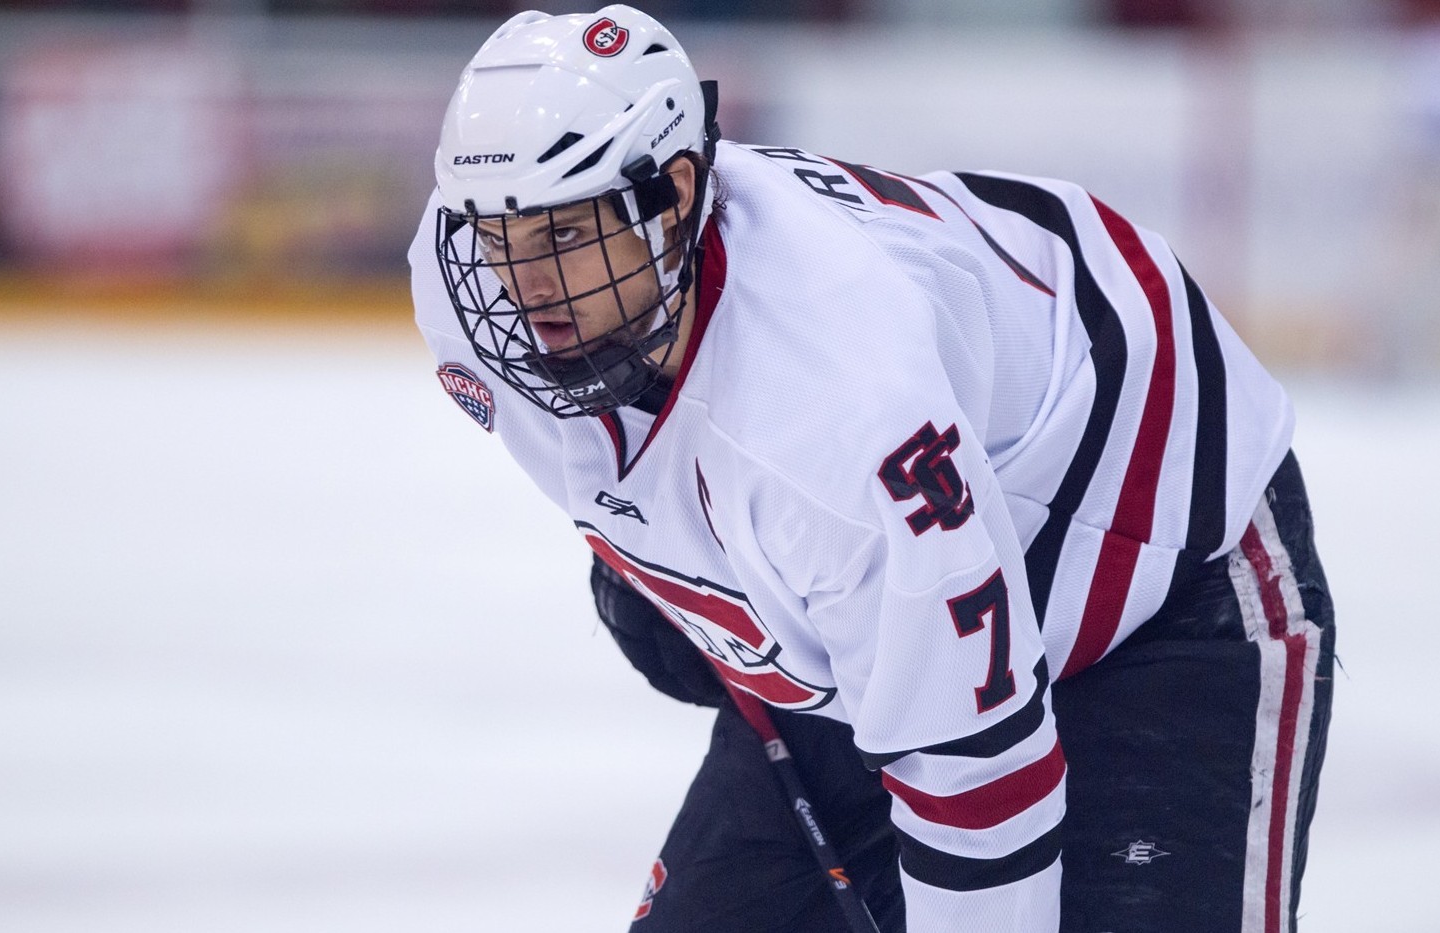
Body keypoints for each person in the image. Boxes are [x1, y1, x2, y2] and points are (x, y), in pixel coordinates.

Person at [409, 6, 1335, 931]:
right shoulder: (468, 300)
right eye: (498, 236)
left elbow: (978, 795)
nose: (523, 293)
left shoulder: (835, 406)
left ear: (675, 194)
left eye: (563, 237)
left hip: (1157, 573)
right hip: (895, 610)